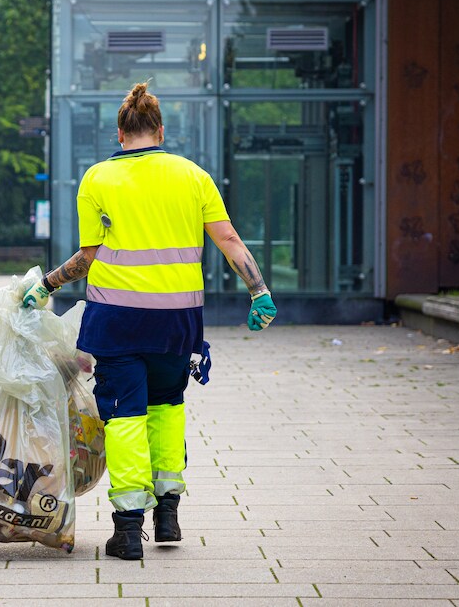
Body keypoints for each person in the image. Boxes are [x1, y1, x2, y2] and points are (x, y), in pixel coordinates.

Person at [22, 82, 277, 560]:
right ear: (160, 131)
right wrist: (259, 292)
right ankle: (168, 515)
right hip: (178, 323)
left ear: (121, 135)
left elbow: (86, 258)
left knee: (124, 419)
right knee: (167, 411)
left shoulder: (97, 178)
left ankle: (126, 530)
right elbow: (230, 240)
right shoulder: (194, 176)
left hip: (118, 322)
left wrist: (47, 286)